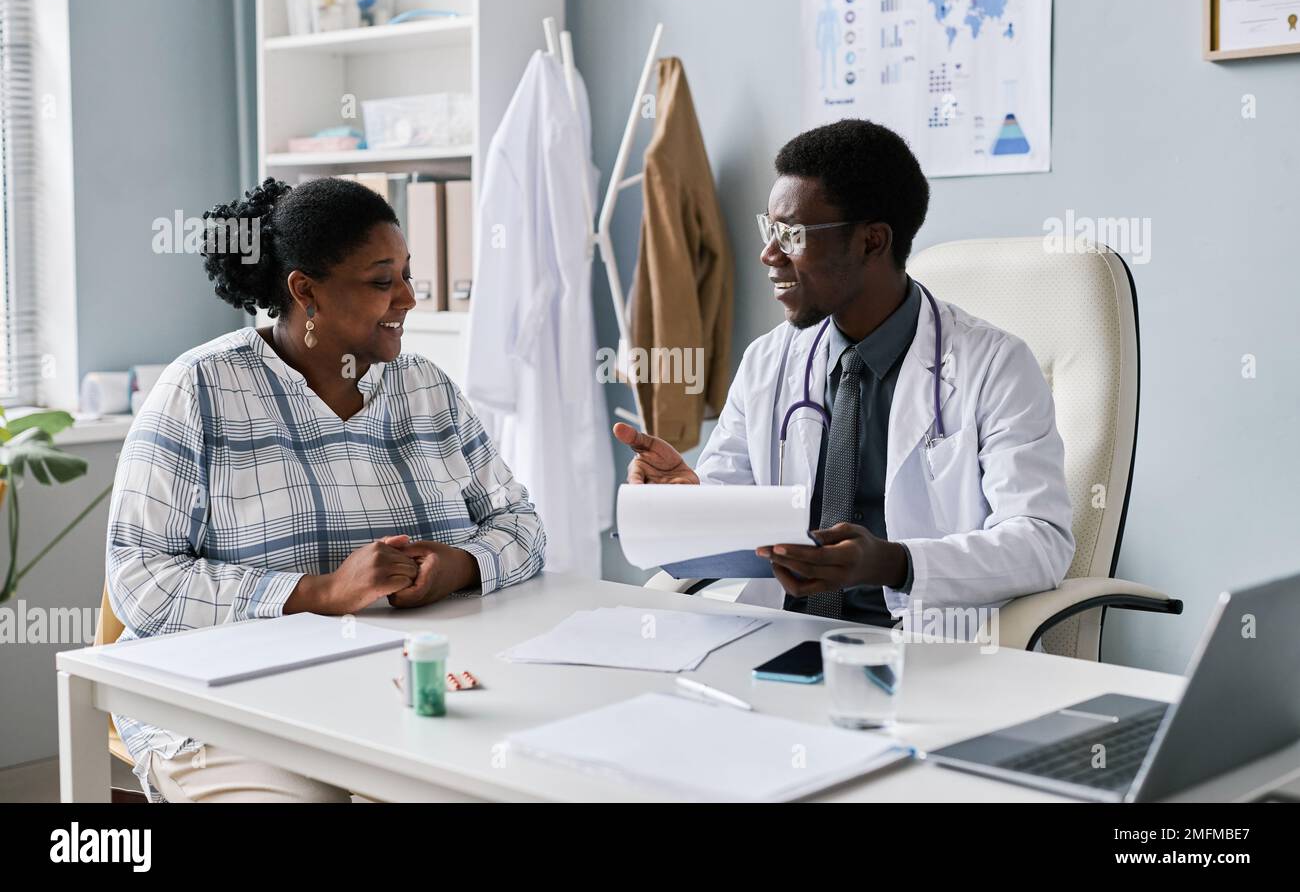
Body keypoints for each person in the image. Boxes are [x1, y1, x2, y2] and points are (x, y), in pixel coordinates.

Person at [106, 177, 545, 802]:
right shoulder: (201, 388)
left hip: (393, 690)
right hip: (225, 711)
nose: (409, 299)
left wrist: (461, 564)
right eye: (381, 281)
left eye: (408, 276)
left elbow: (521, 523)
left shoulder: (427, 389)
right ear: (305, 290)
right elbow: (139, 578)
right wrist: (317, 593)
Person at [614, 119, 1074, 631]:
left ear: (872, 241)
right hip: (781, 640)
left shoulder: (994, 366)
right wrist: (689, 498)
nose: (769, 255)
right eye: (770, 230)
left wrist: (892, 562)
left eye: (792, 235)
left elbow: (1041, 543)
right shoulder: (768, 362)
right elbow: (735, 510)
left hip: (922, 651)